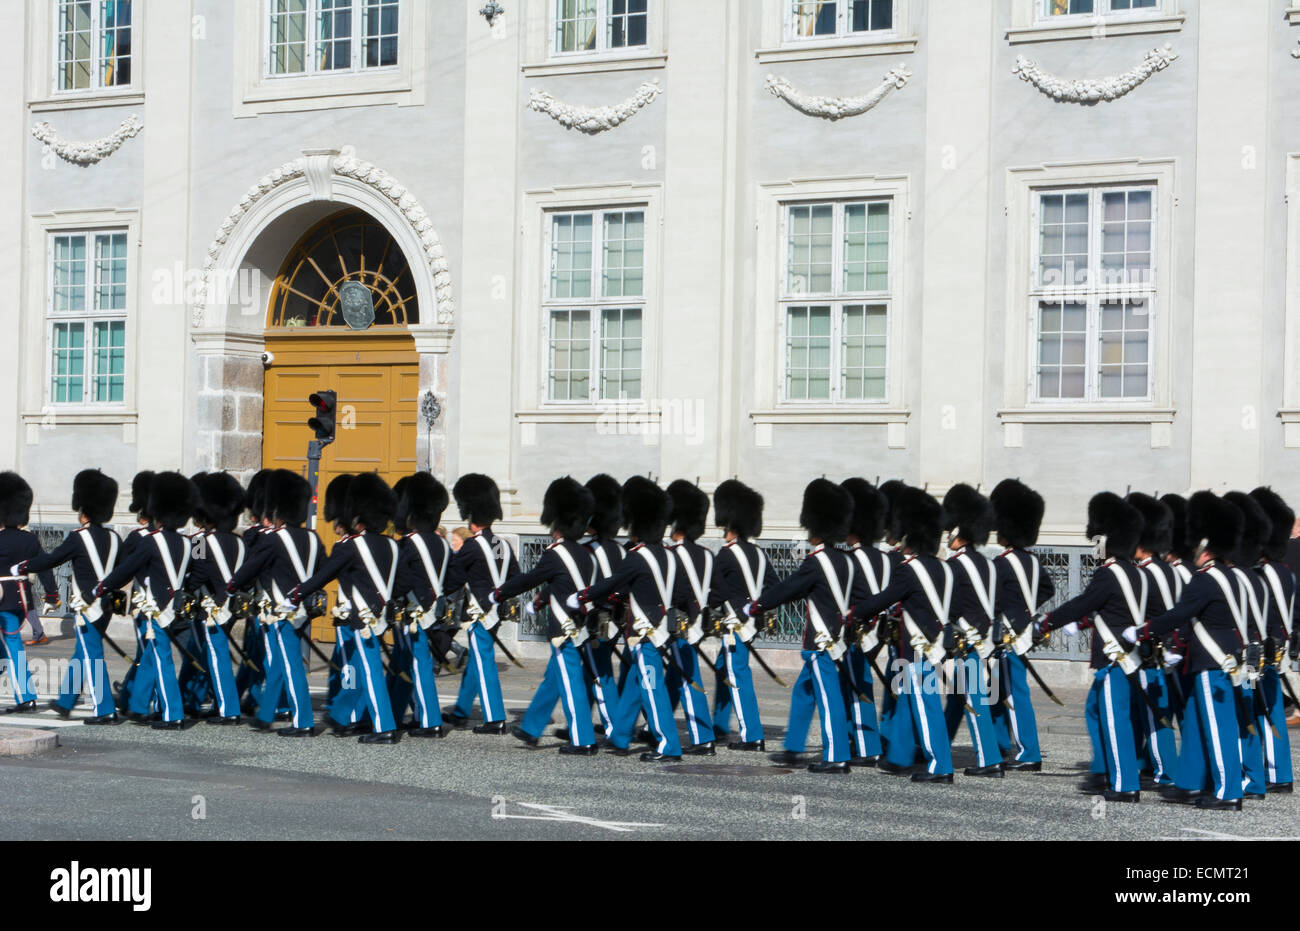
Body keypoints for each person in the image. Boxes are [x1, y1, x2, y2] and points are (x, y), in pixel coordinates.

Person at [1141, 491, 1247, 810]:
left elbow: (1178, 615)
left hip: (1210, 661)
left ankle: (1228, 792)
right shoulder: (1232, 576)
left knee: (1218, 728)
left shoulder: (1204, 579)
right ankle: (1198, 782)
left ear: (1204, 546)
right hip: (1226, 657)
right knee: (1205, 723)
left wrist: (1145, 630)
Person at [1039, 492, 1147, 802]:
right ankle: (1110, 774)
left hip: (1113, 662)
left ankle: (1125, 784)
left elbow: (1080, 604)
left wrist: (1045, 623)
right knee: (1100, 714)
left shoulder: (1108, 573)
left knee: (1115, 723)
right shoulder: (1134, 573)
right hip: (1127, 659)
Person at [849, 486, 956, 783]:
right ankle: (900, 756)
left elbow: (883, 599)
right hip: (935, 645)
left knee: (926, 707)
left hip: (917, 648)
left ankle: (941, 767)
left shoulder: (909, 570)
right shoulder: (944, 568)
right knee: (914, 702)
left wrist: (853, 614)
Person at [750, 479, 856, 774]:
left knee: (827, 698)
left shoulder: (817, 561)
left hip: (821, 643)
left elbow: (788, 588)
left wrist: (757, 606)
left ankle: (837, 757)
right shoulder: (845, 560)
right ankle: (794, 747)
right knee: (804, 692)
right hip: (835, 639)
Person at [575, 476, 684, 762]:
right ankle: (620, 736)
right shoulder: (670, 556)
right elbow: (678, 592)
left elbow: (613, 583)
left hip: (645, 633)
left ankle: (668, 746)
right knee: (636, 684)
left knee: (651, 689)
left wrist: (584, 595)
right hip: (663, 630)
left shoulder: (636, 557)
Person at [293, 473, 402, 745]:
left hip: (360, 619)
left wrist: (296, 593)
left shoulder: (351, 546)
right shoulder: (391, 545)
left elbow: (323, 576)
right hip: (380, 616)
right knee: (358, 666)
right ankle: (344, 714)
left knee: (369, 671)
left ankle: (383, 727)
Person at [501, 477, 600, 755]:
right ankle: (532, 729)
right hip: (577, 624)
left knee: (572, 685)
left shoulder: (555, 553)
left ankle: (583, 740)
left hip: (564, 629)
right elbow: (563, 585)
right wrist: (543, 600)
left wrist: (500, 593)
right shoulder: (583, 554)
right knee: (554, 679)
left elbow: (530, 579)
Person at [15, 470, 122, 723]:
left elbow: (52, 559)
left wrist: (24, 566)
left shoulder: (78, 538)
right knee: (82, 651)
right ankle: (66, 701)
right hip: (106, 605)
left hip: (87, 606)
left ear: (83, 510)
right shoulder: (115, 538)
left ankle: (105, 710)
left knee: (92, 654)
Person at [95, 472, 198, 730]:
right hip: (174, 608)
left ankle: (172, 714)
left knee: (160, 660)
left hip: (154, 609)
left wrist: (103, 586)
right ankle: (140, 706)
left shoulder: (150, 542)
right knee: (153, 658)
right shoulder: (188, 543)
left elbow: (126, 569)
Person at [228, 470, 320, 737]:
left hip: (277, 607)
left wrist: (232, 585)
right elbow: (322, 569)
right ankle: (266, 713)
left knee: (286, 664)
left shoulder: (266, 538)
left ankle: (303, 720)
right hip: (299, 607)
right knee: (277, 662)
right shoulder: (312, 538)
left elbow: (250, 567)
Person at [442, 474, 520, 735]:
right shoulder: (504, 545)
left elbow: (452, 578)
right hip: (497, 612)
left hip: (479, 613)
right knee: (476, 661)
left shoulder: (472, 547)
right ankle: (462, 711)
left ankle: (495, 718)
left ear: (469, 513)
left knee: (484, 662)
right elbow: (516, 579)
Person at [988, 479, 1054, 771]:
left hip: (1008, 636)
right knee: (998, 690)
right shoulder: (1032, 561)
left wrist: (1012, 615)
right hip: (1021, 630)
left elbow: (992, 599)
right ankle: (1002, 742)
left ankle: (1029, 753)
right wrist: (1026, 612)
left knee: (1015, 693)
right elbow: (1048, 590)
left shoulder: (1002, 564)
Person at [708, 479, 775, 752]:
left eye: (725, 527)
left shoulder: (725, 555)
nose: (724, 532)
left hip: (735, 624)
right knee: (723, 669)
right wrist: (755, 606)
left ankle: (752, 735)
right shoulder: (759, 554)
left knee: (738, 675)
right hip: (750, 621)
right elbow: (773, 585)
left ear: (731, 526)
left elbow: (714, 591)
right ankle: (720, 724)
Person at [941, 483, 1004, 777]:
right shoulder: (989, 564)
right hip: (985, 639)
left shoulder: (955, 565)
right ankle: (939, 743)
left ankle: (989, 759)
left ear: (958, 531)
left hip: (967, 642)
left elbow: (950, 606)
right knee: (958, 697)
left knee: (973, 698)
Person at [1126, 492, 1181, 789]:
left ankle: (1165, 769)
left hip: (1152, 652)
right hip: (1164, 650)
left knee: (1154, 714)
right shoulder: (1167, 570)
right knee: (1154, 712)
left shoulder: (1146, 573)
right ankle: (1148, 762)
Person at [391, 471, 452, 738]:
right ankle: (397, 713)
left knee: (419, 665)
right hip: (434, 611)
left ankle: (430, 721)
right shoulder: (442, 544)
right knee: (403, 664)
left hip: (414, 613)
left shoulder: (408, 544)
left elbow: (402, 579)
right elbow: (456, 577)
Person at [187, 472, 249, 726]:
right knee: (207, 654)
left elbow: (198, 572)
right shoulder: (239, 542)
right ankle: (205, 698)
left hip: (214, 606)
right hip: (234, 604)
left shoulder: (200, 541)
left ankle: (228, 709)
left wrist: (187, 591)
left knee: (216, 655)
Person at [1223, 491, 1272, 800]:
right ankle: (1254, 778)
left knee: (1241, 718)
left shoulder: (1237, 577)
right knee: (1247, 715)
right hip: (1251, 653)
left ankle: (1250, 778)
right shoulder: (1254, 576)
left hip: (1241, 656)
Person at [837, 478, 889, 766]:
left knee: (858, 685)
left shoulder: (850, 559)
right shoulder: (885, 558)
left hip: (858, 628)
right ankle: (855, 738)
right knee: (853, 683)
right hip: (878, 629)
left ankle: (867, 746)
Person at [664, 479, 717, 755]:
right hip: (699, 623)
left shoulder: (672, 555)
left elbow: (671, 592)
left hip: (678, 623)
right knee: (676, 675)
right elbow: (719, 590)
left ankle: (702, 736)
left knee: (687, 677)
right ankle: (654, 725)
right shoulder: (708, 555)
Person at [0, 472, 59, 713]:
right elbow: (43, 566)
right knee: (14, 645)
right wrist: (52, 595)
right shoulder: (30, 540)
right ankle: (26, 696)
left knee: (10, 647)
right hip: (19, 599)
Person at [1249, 486, 1295, 791]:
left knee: (1260, 710)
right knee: (1273, 708)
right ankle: (1279, 774)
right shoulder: (1283, 571)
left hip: (1263, 648)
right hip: (1278, 645)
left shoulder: (1263, 574)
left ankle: (1267, 772)